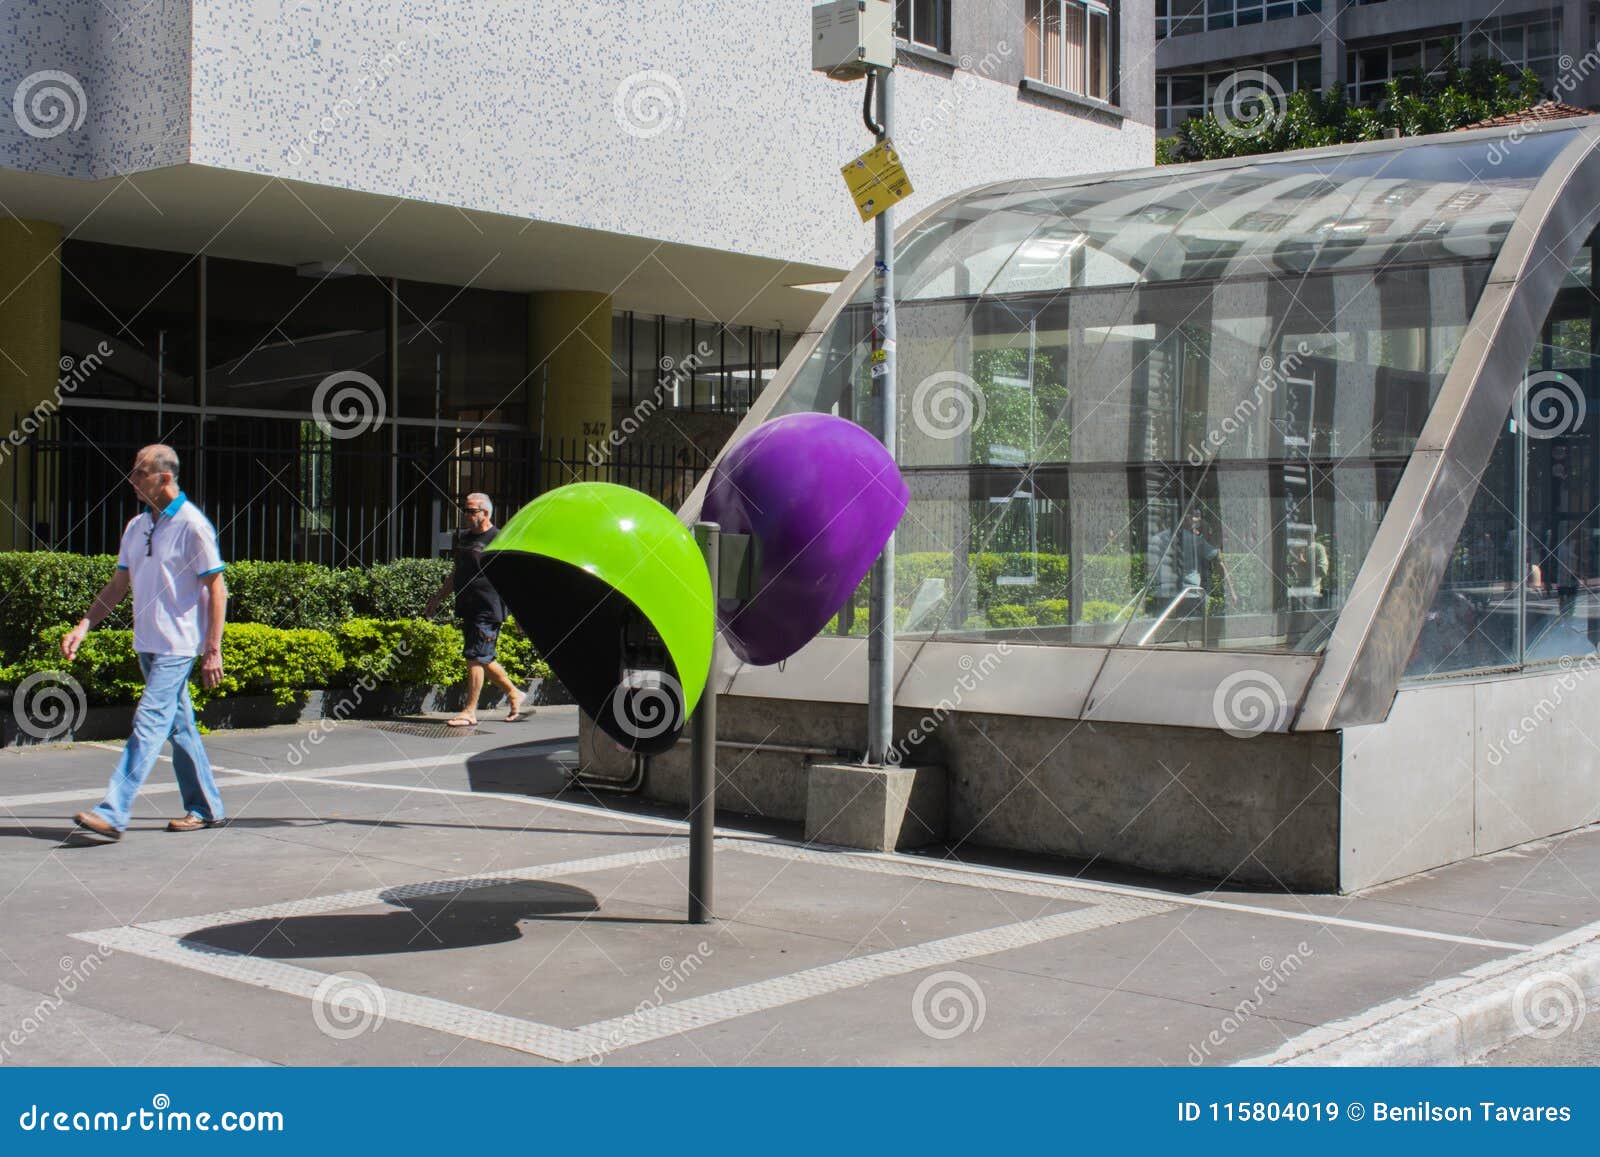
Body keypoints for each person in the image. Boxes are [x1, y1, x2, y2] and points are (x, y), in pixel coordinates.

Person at [66, 445, 227, 841]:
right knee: (180, 726)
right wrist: (84, 625)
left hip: (177, 646)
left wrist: (212, 648)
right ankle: (206, 808)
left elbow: (217, 588)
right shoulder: (137, 527)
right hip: (146, 645)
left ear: (165, 478)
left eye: (141, 473)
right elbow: (118, 585)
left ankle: (113, 811)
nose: (133, 480)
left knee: (149, 721)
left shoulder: (193, 525)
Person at [425, 492, 527, 727]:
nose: (466, 515)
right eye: (465, 510)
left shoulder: (499, 539)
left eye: (471, 511)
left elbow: (510, 579)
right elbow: (456, 573)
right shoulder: (463, 538)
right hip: (467, 604)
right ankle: (514, 692)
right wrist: (438, 598)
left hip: (488, 606)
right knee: (481, 656)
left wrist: (518, 613)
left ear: (486, 513)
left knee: (474, 657)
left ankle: (469, 711)